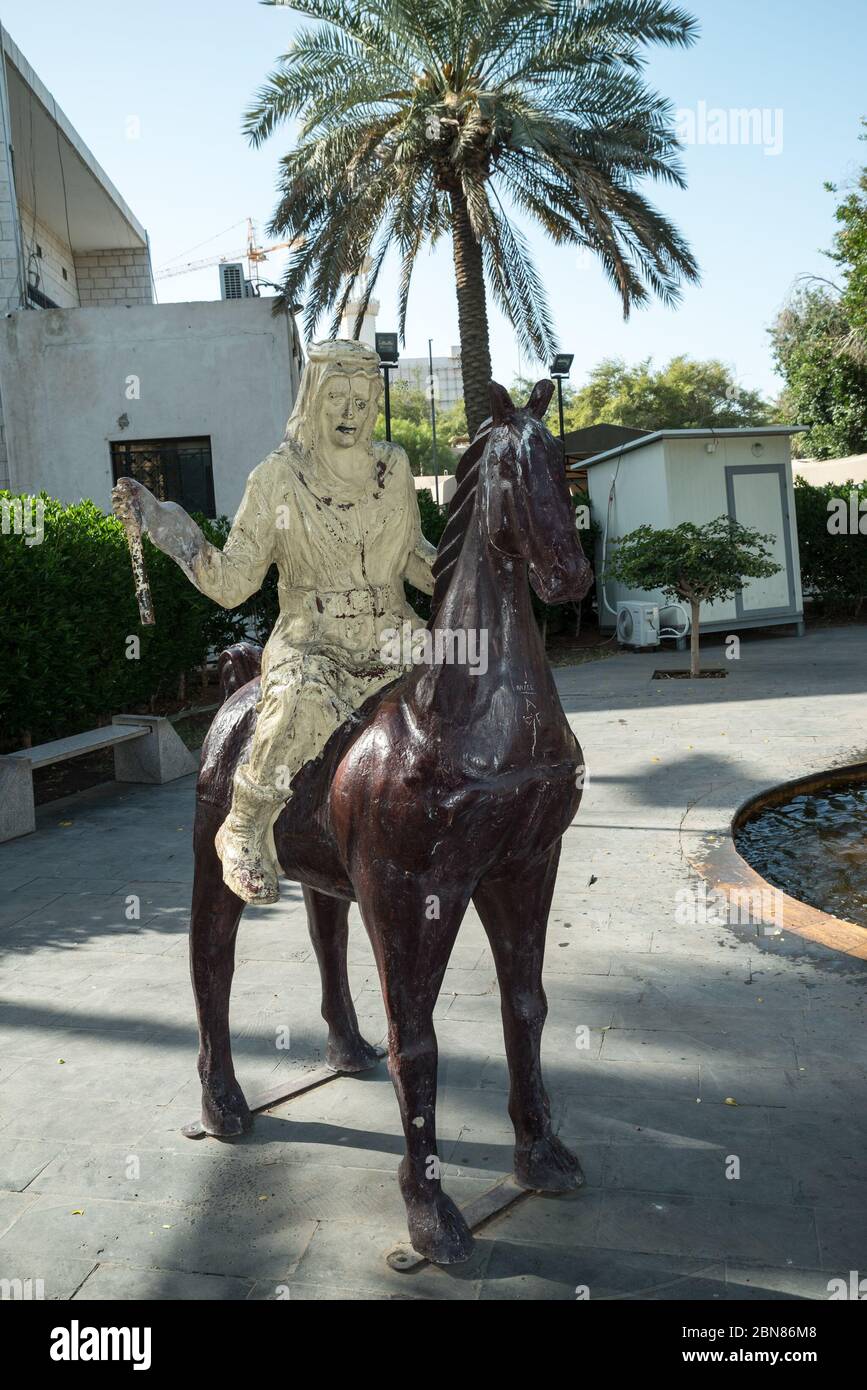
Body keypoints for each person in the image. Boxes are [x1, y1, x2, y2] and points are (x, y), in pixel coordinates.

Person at [112, 339, 437, 904]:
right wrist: (167, 528)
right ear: (312, 397)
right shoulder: (277, 479)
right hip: (314, 645)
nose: (350, 413)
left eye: (363, 400)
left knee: (467, 686)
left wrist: (479, 565)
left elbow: (412, 554)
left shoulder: (394, 466)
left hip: (397, 636)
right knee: (296, 707)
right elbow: (235, 580)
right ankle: (242, 825)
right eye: (338, 397)